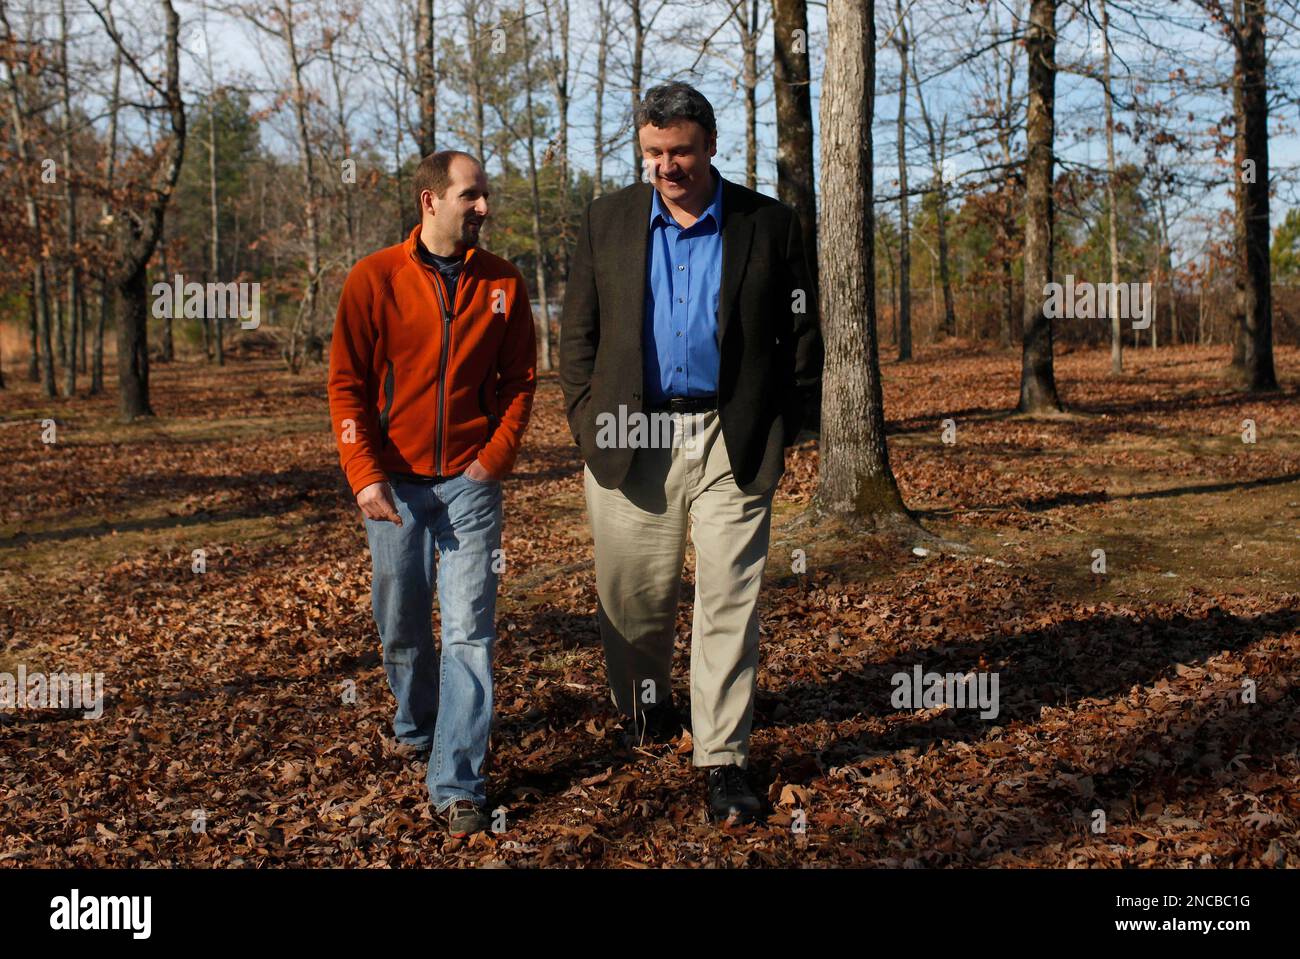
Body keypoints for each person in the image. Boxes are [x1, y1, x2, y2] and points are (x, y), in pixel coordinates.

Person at [559, 83, 822, 824]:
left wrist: (784, 424)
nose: (666, 166)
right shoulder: (607, 219)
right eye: (652, 153)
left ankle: (723, 759)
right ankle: (647, 707)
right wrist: (586, 419)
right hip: (628, 435)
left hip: (728, 437)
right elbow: (577, 335)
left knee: (728, 602)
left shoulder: (767, 223)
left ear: (709, 145)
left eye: (679, 151)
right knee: (634, 600)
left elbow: (803, 332)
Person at [328, 150, 537, 837]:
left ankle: (457, 782)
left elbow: (520, 383)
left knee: (471, 633)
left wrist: (492, 459)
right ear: (431, 201)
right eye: (471, 195)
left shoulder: (504, 282)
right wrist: (364, 474)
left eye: (485, 196)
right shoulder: (373, 278)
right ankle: (418, 725)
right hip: (394, 486)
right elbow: (347, 385)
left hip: (469, 483)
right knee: (403, 626)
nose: (483, 208)